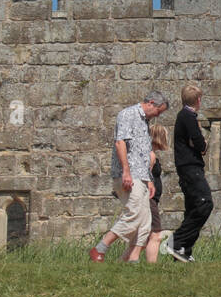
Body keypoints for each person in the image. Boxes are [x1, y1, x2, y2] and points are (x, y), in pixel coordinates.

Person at [90, 91, 170, 263]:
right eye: (158, 111)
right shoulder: (128, 114)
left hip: (141, 176)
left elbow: (142, 153)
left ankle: (133, 260)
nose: (158, 115)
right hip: (129, 174)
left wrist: (149, 180)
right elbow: (120, 143)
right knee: (134, 214)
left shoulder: (144, 122)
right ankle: (100, 248)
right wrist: (126, 172)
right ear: (151, 103)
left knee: (145, 221)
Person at [164, 84, 213, 263]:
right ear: (198, 100)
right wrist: (203, 145)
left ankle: (183, 249)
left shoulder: (184, 116)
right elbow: (199, 143)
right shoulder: (188, 116)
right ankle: (177, 242)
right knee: (205, 203)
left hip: (188, 167)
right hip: (190, 167)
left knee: (193, 207)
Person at [143, 125, 170, 264]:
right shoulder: (150, 155)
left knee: (143, 235)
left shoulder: (149, 153)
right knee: (156, 234)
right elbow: (145, 175)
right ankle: (151, 266)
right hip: (149, 199)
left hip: (151, 199)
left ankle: (127, 260)